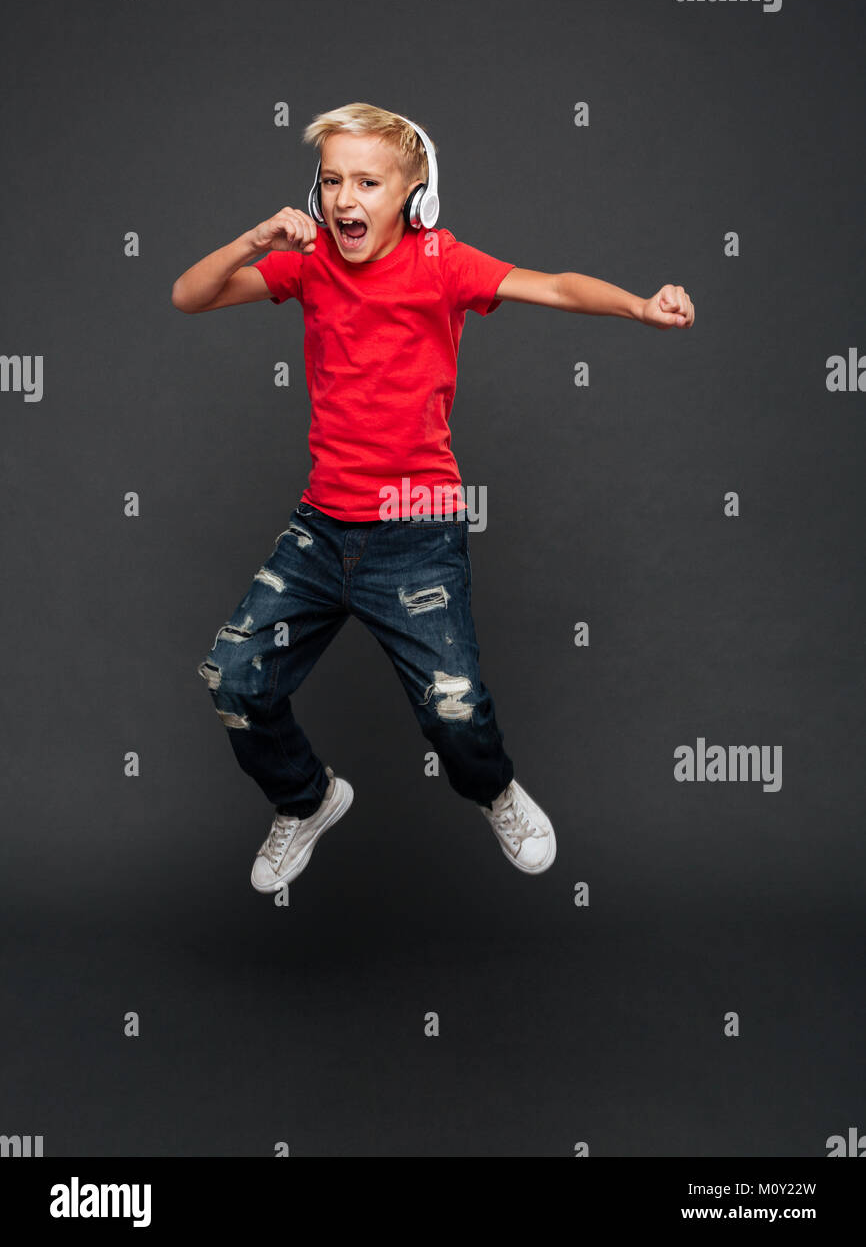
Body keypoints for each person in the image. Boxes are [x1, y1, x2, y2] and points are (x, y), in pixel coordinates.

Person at [172, 102, 694, 895]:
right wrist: (255, 240)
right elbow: (190, 296)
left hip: (416, 531)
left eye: (369, 182)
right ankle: (306, 801)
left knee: (454, 713)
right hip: (320, 532)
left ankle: (496, 792)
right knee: (233, 677)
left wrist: (639, 306)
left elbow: (551, 286)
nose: (347, 198)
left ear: (414, 194)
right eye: (333, 180)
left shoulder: (440, 262)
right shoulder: (307, 266)